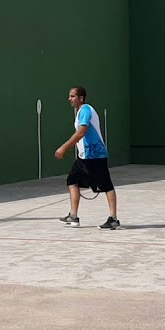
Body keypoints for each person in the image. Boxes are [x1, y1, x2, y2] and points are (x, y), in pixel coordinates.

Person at [55, 86, 120, 229]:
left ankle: (114, 219)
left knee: (106, 185)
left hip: (95, 155)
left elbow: (81, 133)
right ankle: (73, 216)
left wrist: (64, 147)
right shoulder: (80, 112)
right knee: (72, 180)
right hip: (84, 157)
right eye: (70, 96)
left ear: (81, 98)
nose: (69, 99)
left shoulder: (85, 110)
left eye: (72, 96)